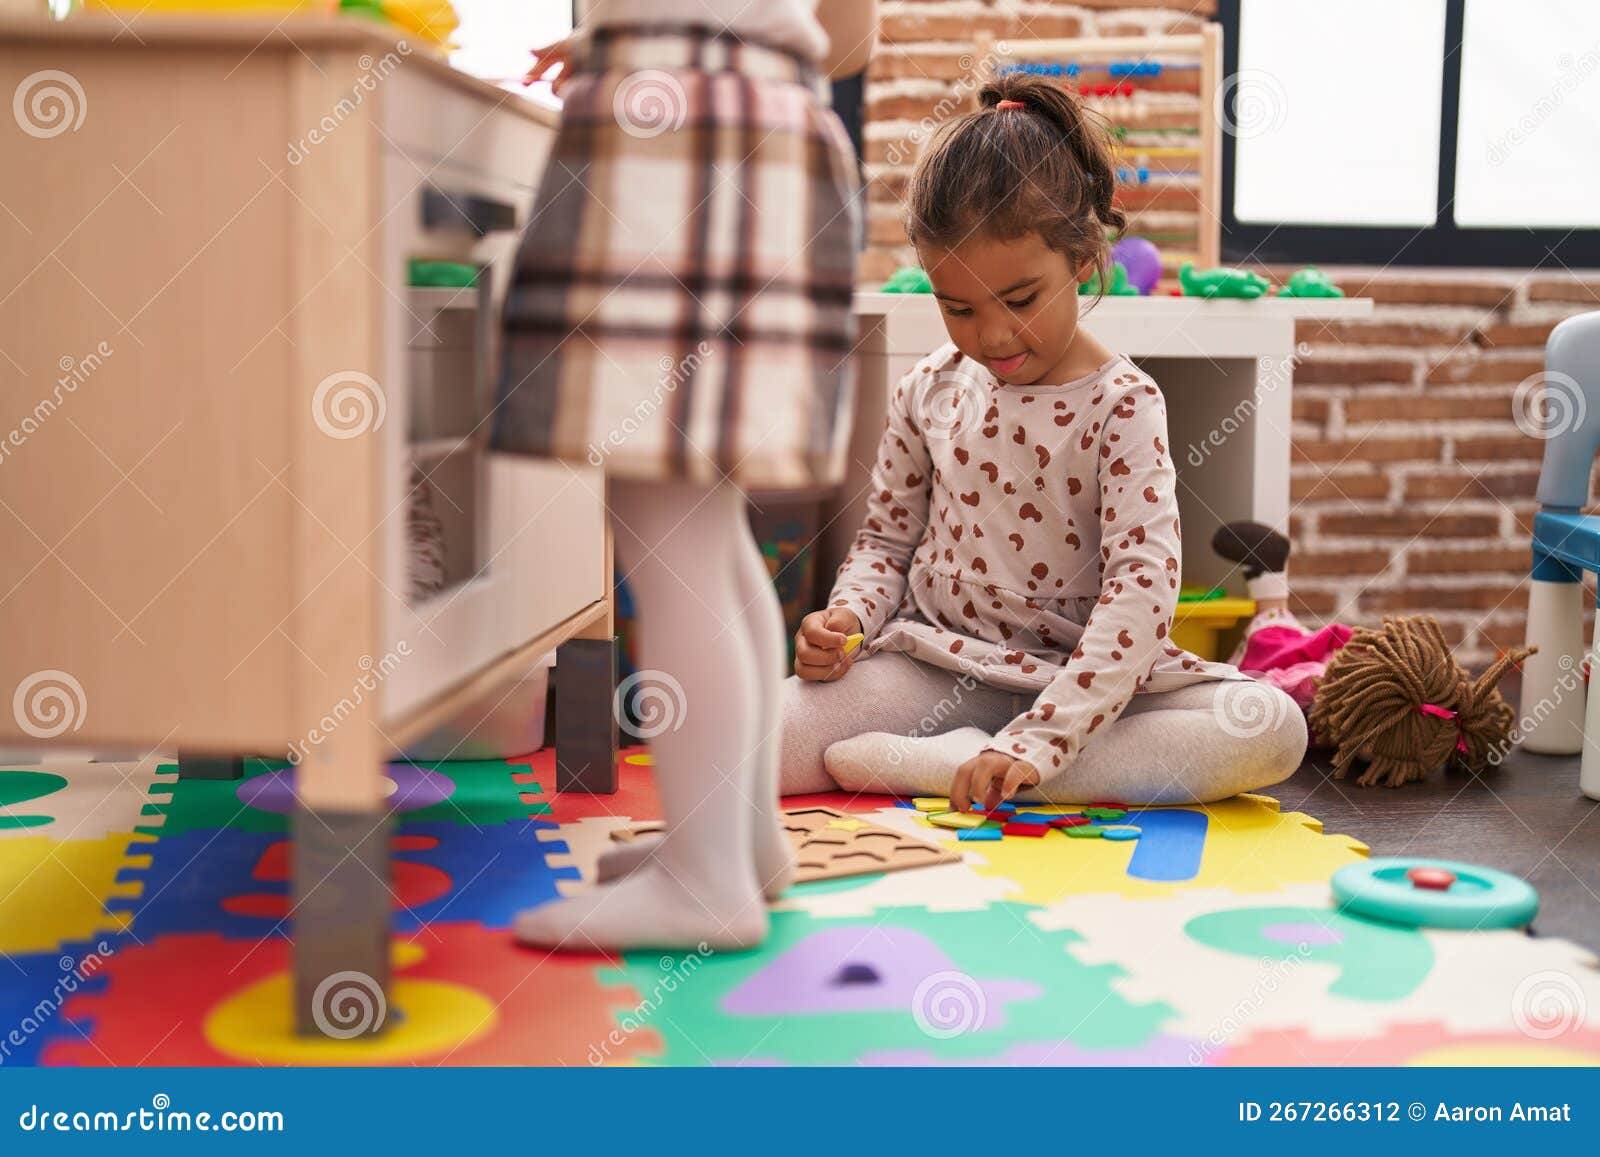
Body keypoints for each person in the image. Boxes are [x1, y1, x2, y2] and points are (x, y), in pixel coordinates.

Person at [782, 76, 1307, 810]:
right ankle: (975, 759)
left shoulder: (1123, 404)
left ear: (1085, 259)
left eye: (1020, 299)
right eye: (956, 306)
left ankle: (978, 771)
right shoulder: (927, 388)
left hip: (1089, 689)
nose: (991, 334)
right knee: (756, 741)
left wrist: (1043, 738)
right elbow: (883, 544)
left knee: (1271, 726)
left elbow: (1141, 591)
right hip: (937, 667)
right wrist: (850, 618)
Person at [496, 1, 876, 950]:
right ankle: (737, 845)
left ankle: (706, 880)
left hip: (683, 124)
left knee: (667, 519)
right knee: (706, 520)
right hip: (771, 108)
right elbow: (852, 33)